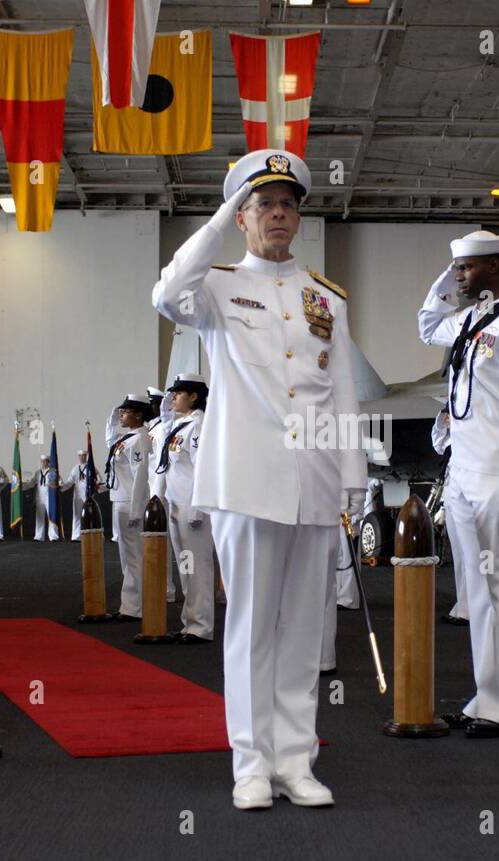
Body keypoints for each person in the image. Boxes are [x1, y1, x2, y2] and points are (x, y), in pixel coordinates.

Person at [153, 149, 366, 810]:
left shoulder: (325, 297)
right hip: (247, 480)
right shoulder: (216, 287)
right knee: (249, 627)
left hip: (314, 480)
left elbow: (341, 395)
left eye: (288, 204)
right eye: (264, 204)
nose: (279, 213)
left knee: (304, 629)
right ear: (243, 217)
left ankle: (296, 759)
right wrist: (220, 215)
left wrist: (354, 481)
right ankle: (250, 762)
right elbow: (165, 293)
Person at [417, 230, 499, 738]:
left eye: (467, 268)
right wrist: (447, 279)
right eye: (458, 270)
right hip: (461, 474)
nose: (461, 277)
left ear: (494, 266)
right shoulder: (470, 321)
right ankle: (483, 699)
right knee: (475, 597)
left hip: (494, 477)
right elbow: (427, 327)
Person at [152, 374, 213, 645]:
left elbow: (203, 468)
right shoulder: (179, 426)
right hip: (176, 505)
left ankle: (201, 625)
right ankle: (190, 622)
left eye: (179, 393)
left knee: (197, 567)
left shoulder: (199, 426)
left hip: (191, 507)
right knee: (186, 567)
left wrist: (198, 509)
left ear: (194, 396)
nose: (173, 397)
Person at [105, 394, 152, 620]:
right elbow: (110, 442)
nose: (121, 414)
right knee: (126, 555)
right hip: (119, 500)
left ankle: (135, 607)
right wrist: (112, 419)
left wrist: (136, 509)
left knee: (133, 555)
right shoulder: (127, 438)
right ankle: (129, 605)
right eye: (121, 411)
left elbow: (140, 475)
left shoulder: (139, 440)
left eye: (126, 411)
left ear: (139, 415)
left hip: (129, 502)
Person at [431, 407, 469, 626]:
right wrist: (443, 421)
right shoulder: (450, 440)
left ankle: (471, 606)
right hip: (452, 493)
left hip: (469, 492)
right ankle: (463, 604)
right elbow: (438, 444)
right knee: (459, 554)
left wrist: (460, 424)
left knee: (472, 553)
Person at [145, 388, 179, 602]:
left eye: (151, 404)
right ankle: (164, 587)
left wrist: (157, 493)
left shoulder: (163, 429)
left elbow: (162, 464)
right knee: (158, 541)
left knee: (166, 542)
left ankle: (167, 589)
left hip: (162, 491)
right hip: (153, 489)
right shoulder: (154, 428)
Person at [32, 454, 61, 541]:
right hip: (40, 497)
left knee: (51, 515)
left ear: (48, 462)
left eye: (45, 461)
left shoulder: (52, 471)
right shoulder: (38, 472)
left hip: (49, 498)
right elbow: (32, 482)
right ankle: (39, 536)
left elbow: (59, 481)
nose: (43, 463)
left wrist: (59, 485)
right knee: (39, 517)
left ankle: (53, 536)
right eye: (42, 461)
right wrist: (22, 486)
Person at [65, 450, 90, 541]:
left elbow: (98, 479)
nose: (82, 457)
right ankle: (76, 536)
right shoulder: (75, 469)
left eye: (84, 456)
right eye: (80, 456)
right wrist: (61, 487)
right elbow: (69, 482)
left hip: (88, 494)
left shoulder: (91, 467)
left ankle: (91, 534)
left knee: (90, 514)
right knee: (76, 514)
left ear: (86, 456)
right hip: (77, 493)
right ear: (78, 457)